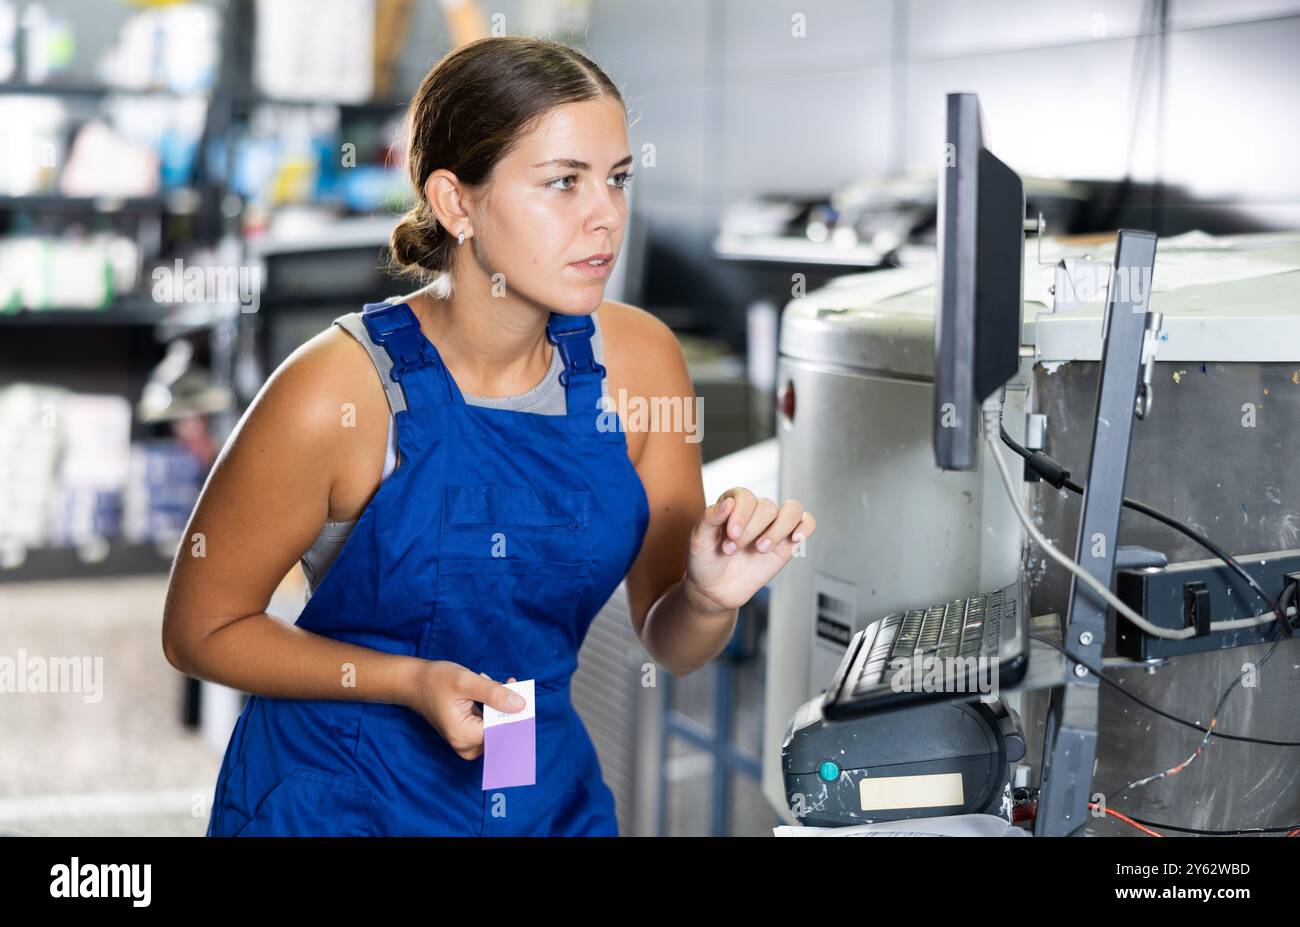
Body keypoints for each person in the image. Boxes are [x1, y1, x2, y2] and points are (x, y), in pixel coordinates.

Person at [162, 35, 816, 836]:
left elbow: (669, 640)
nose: (606, 215)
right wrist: (408, 680)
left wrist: (711, 597)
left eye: (615, 179)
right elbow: (200, 630)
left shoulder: (640, 366)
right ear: (456, 202)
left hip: (531, 785)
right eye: (563, 183)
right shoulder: (335, 392)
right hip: (338, 795)